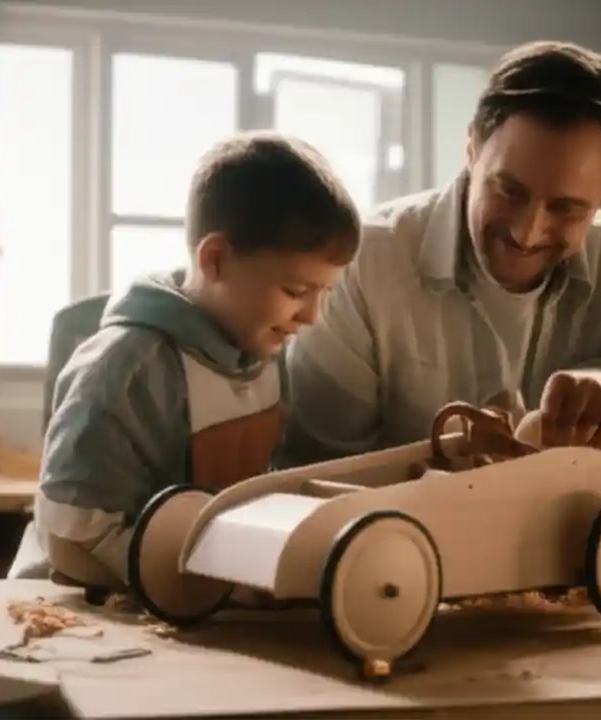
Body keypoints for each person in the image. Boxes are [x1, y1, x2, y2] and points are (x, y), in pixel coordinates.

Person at [282, 40, 601, 493]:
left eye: (566, 209)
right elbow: (322, 479)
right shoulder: (366, 264)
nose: (527, 231)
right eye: (509, 191)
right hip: (403, 556)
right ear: (472, 147)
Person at [21, 131, 361, 589]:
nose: (312, 316)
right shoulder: (125, 370)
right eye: (296, 291)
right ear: (216, 259)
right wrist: (216, 584)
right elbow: (74, 537)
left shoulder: (264, 351)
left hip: (195, 604)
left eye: (327, 293)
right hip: (79, 608)